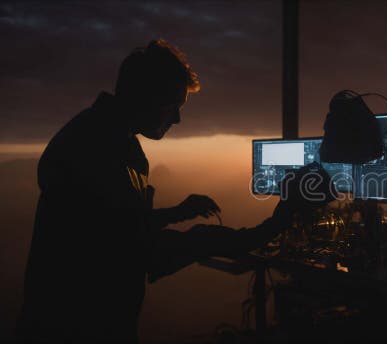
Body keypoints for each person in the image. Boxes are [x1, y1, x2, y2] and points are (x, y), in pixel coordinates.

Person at [16, 39, 293, 342]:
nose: (177, 118)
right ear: (145, 97)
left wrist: (177, 213)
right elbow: (139, 248)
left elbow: (120, 223)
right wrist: (270, 227)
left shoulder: (112, 140)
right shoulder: (95, 148)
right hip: (75, 325)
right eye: (173, 105)